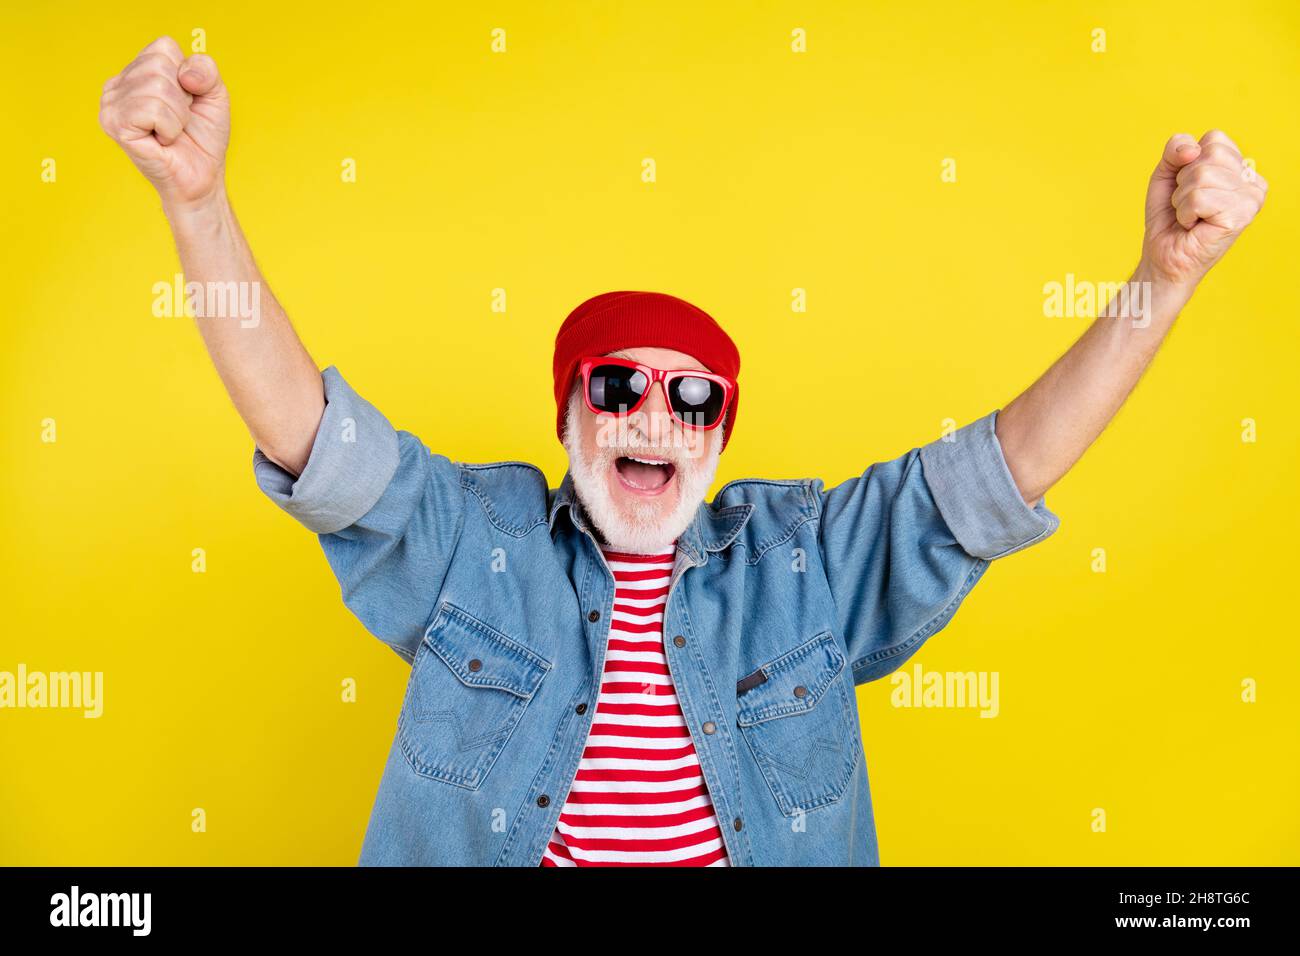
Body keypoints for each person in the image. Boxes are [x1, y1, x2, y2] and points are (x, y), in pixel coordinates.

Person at [99, 37, 1268, 866]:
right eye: (618, 387)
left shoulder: (803, 559)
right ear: (568, 416)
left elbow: (1001, 470)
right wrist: (196, 204)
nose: (652, 416)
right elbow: (309, 431)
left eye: (691, 396)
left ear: (716, 434)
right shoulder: (475, 540)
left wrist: (1163, 279)